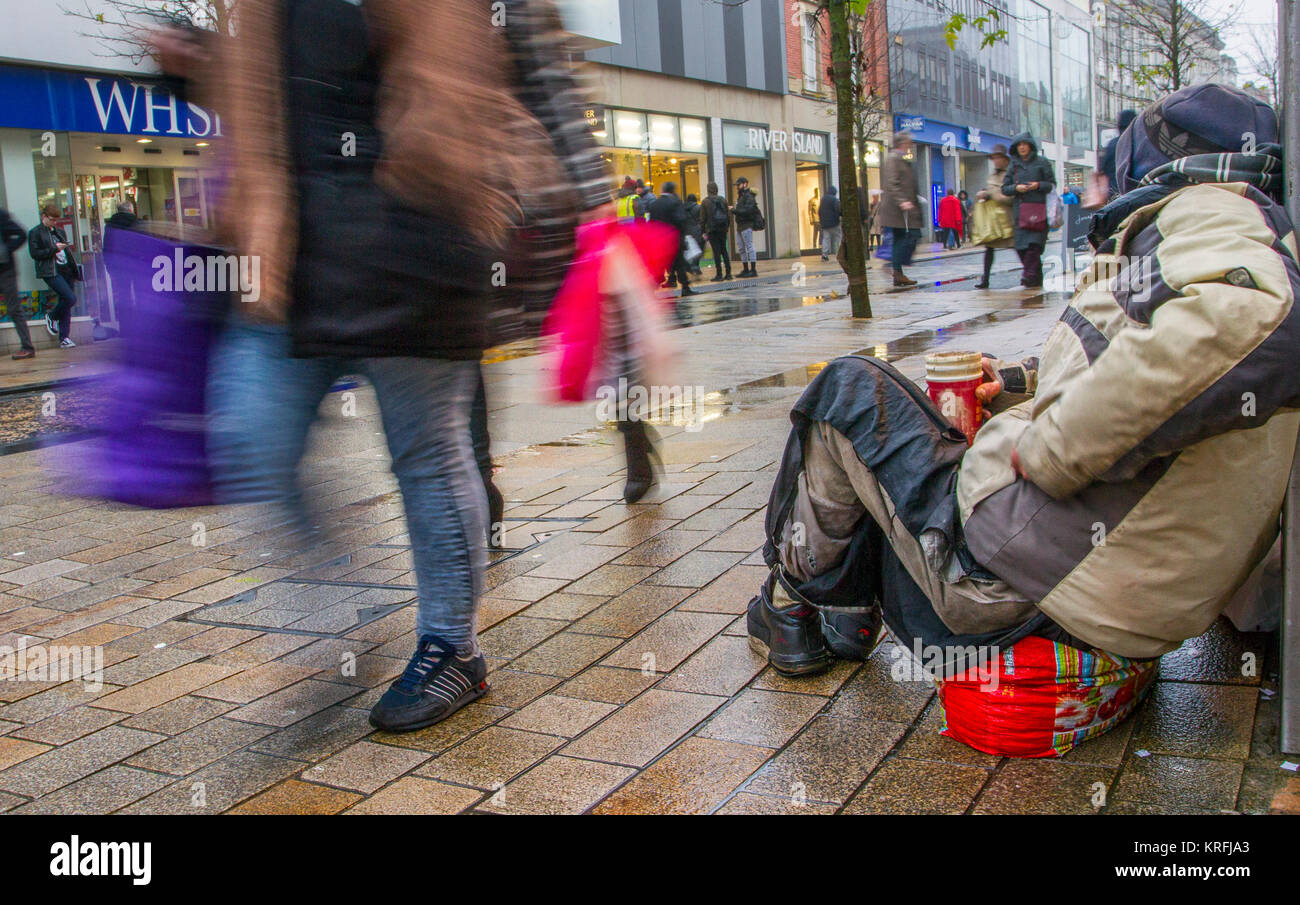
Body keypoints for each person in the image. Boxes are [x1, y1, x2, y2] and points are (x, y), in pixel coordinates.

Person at [744, 84, 1297, 720]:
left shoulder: (1219, 234)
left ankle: (791, 606)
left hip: (1027, 589)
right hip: (1096, 584)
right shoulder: (1232, 231)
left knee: (848, 389)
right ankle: (839, 616)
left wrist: (1049, 445)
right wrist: (1019, 384)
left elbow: (1262, 324)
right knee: (900, 427)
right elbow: (1158, 361)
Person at [169, 0, 610, 734]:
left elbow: (541, 63)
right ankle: (338, 617)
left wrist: (599, 221)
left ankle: (452, 647)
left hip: (417, 229)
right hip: (291, 249)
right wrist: (184, 71)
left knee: (429, 454)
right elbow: (256, 80)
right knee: (251, 430)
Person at [1002, 132, 1054, 289]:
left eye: (1025, 144)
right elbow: (1005, 188)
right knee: (1021, 248)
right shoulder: (1013, 165)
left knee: (1034, 246)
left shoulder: (1042, 162)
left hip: (1039, 212)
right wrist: (1016, 188)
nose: (1022, 147)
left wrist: (1038, 185)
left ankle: (1028, 276)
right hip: (1020, 213)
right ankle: (1035, 278)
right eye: (1019, 145)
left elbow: (1051, 184)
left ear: (1030, 146)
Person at [27, 204, 79, 349]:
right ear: (44, 217)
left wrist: (74, 270)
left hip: (66, 269)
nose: (54, 223)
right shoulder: (35, 232)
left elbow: (67, 252)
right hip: (51, 271)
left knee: (67, 301)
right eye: (52, 220)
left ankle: (64, 337)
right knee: (70, 298)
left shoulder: (59, 231)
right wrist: (54, 249)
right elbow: (35, 254)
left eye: (56, 220)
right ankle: (52, 316)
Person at [876, 131, 920, 287]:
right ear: (902, 143)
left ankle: (897, 271)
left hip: (902, 210)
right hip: (896, 210)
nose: (910, 146)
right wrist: (902, 201)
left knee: (902, 238)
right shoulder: (893, 158)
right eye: (908, 143)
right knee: (907, 237)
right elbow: (892, 183)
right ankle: (895, 268)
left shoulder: (901, 158)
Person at [973, 144, 1014, 289]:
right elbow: (991, 190)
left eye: (998, 158)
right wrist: (984, 193)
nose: (996, 161)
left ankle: (1031, 275)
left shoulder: (1011, 173)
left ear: (1005, 159)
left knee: (1019, 248)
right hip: (994, 221)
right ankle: (985, 280)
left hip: (1008, 220)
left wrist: (991, 194)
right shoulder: (993, 174)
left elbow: (1010, 196)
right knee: (989, 249)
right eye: (994, 158)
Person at [648, 181, 694, 297]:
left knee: (659, 265)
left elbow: (651, 222)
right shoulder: (675, 202)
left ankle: (652, 289)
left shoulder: (655, 204)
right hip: (674, 239)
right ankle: (685, 287)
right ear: (673, 190)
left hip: (659, 240)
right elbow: (681, 220)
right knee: (679, 264)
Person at [1, 208, 34, 360]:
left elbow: (21, 234)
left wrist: (5, 250)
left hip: (5, 271)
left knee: (14, 309)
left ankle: (27, 347)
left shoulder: (1, 215)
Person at [701, 182, 732, 282]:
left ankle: (719, 274)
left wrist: (703, 231)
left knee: (716, 252)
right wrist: (727, 227)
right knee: (724, 250)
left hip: (712, 229)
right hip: (722, 229)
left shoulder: (705, 202)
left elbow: (702, 219)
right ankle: (728, 273)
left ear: (708, 189)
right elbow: (728, 215)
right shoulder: (723, 200)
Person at [732, 176, 760, 277]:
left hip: (746, 225)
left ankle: (753, 270)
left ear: (745, 184)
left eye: (738, 185)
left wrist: (734, 210)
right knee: (741, 248)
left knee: (749, 246)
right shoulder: (741, 196)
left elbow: (747, 211)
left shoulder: (748, 196)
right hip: (740, 225)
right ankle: (745, 269)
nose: (737, 187)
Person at [682, 192, 705, 276]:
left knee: (689, 251)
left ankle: (691, 266)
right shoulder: (698, 207)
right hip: (697, 232)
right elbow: (702, 220)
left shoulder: (683, 208)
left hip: (687, 233)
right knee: (698, 250)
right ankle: (695, 266)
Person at [817, 185, 841, 263]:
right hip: (834, 223)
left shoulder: (823, 199)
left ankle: (824, 255)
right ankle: (841, 253)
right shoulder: (834, 200)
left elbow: (819, 211)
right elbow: (838, 210)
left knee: (826, 239)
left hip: (825, 224)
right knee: (838, 237)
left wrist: (821, 221)